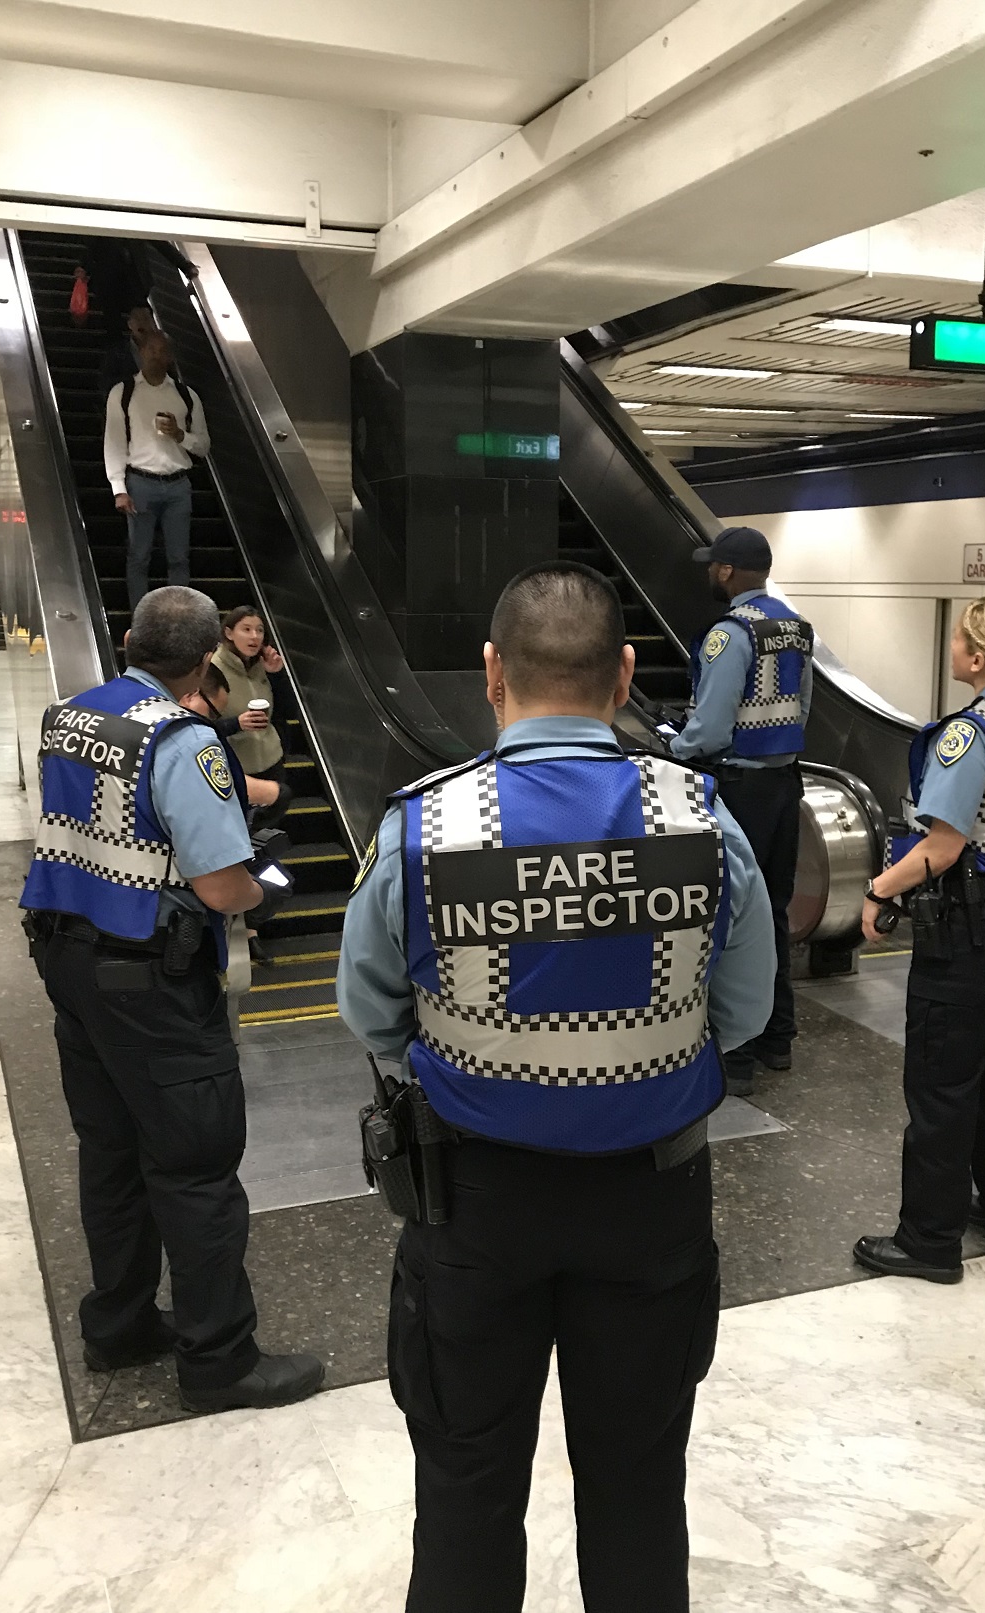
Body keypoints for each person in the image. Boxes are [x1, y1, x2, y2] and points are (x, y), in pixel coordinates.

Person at [337, 562, 774, 1613]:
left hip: (473, 1203)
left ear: (492, 672)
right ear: (625, 675)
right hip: (651, 1204)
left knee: (465, 1481)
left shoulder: (424, 828)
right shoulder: (704, 823)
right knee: (634, 1486)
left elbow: (371, 1014)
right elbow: (746, 1010)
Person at [20, 586, 324, 1412]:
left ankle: (116, 1326)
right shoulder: (180, 740)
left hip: (67, 961)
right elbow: (224, 888)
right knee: (194, 1167)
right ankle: (220, 1360)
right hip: (147, 981)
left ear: (125, 641)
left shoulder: (68, 717)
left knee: (111, 1155)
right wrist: (270, 889)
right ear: (201, 663)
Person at [853, 598, 985, 1284]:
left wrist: (880, 890)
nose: (950, 647)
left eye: (957, 640)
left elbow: (940, 848)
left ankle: (929, 1239)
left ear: (976, 657)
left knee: (943, 1079)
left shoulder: (969, 734)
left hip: (970, 930)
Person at [668, 526, 813, 1094]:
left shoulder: (728, 635)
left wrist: (673, 747)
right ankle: (779, 1036)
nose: (709, 574)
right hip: (785, 784)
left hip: (740, 789)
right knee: (774, 909)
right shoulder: (796, 629)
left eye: (713, 566)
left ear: (727, 572)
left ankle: (742, 1054)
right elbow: (802, 705)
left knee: (735, 912)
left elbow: (710, 726)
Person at [104, 331, 210, 610]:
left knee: (179, 557)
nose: (155, 354)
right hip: (140, 482)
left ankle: (180, 618)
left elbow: (203, 445)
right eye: (150, 349)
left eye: (162, 350)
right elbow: (113, 442)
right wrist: (119, 489)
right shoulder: (124, 392)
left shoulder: (186, 395)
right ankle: (141, 620)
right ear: (140, 352)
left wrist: (179, 434)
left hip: (178, 484)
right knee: (139, 556)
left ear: (170, 356)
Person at [179, 662, 292, 827]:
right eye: (211, 713)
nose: (210, 721)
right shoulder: (183, 736)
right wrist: (276, 793)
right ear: (191, 695)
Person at [211, 606, 287, 788]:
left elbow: (286, 710)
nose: (254, 636)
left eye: (259, 630)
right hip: (234, 767)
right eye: (246, 629)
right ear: (229, 633)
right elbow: (199, 725)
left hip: (272, 760)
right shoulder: (213, 669)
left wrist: (276, 675)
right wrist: (237, 724)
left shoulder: (263, 665)